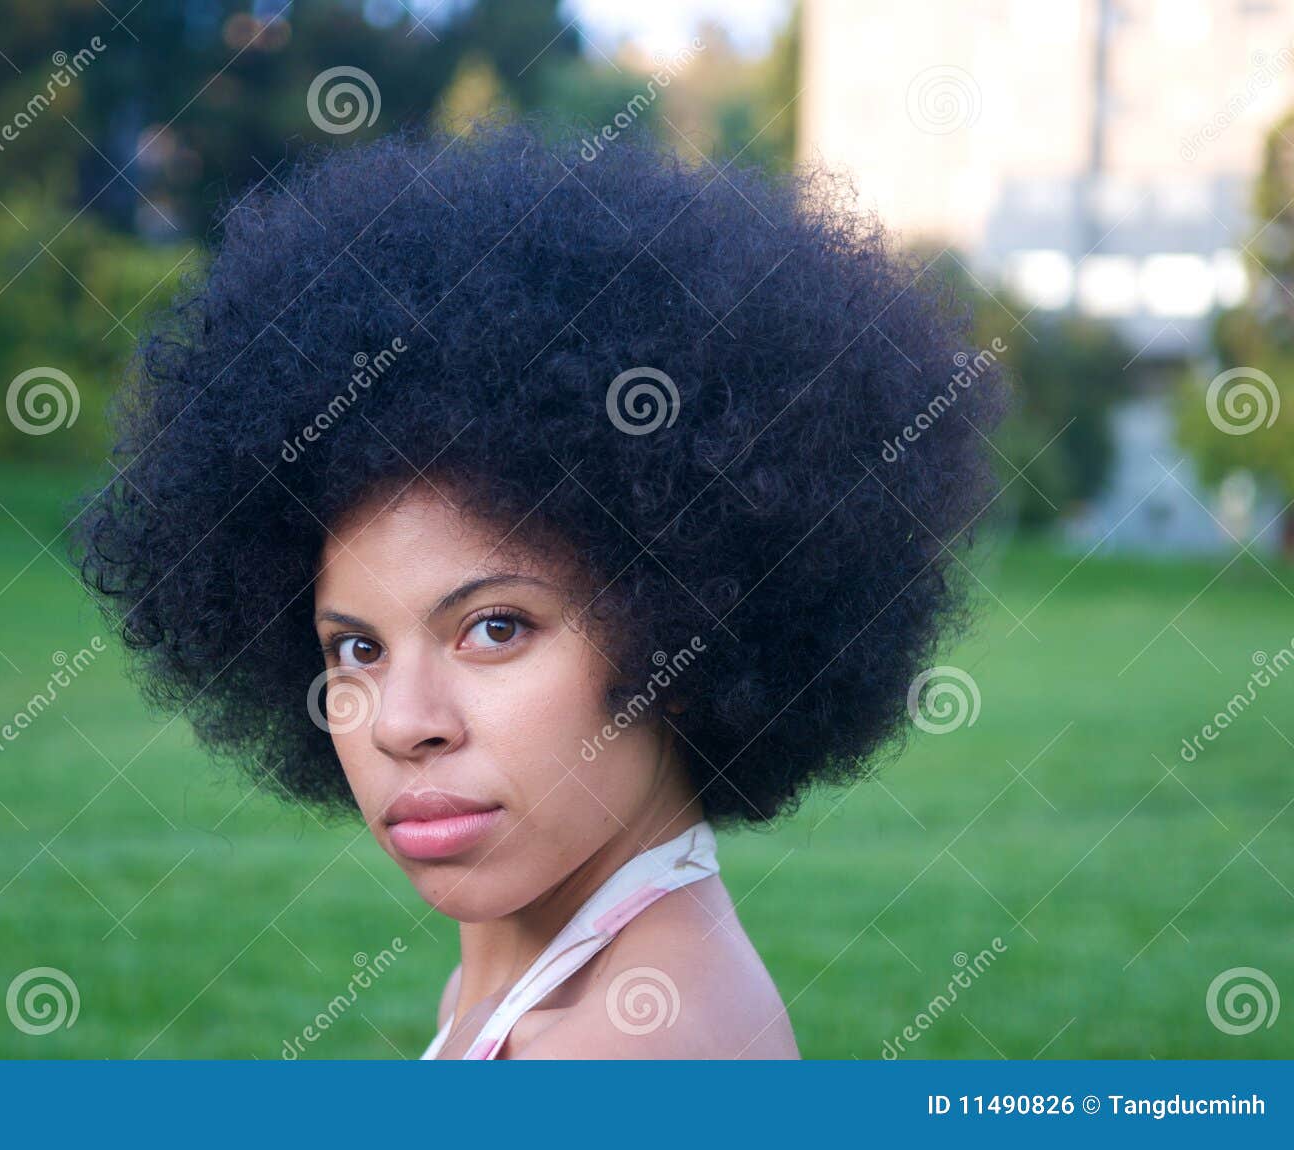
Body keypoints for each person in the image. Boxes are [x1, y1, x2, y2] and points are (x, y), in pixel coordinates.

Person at [73, 117, 1008, 1059]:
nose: (403, 723)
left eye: (493, 628)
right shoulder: (528, 991)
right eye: (356, 648)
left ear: (680, 639)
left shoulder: (624, 1047)